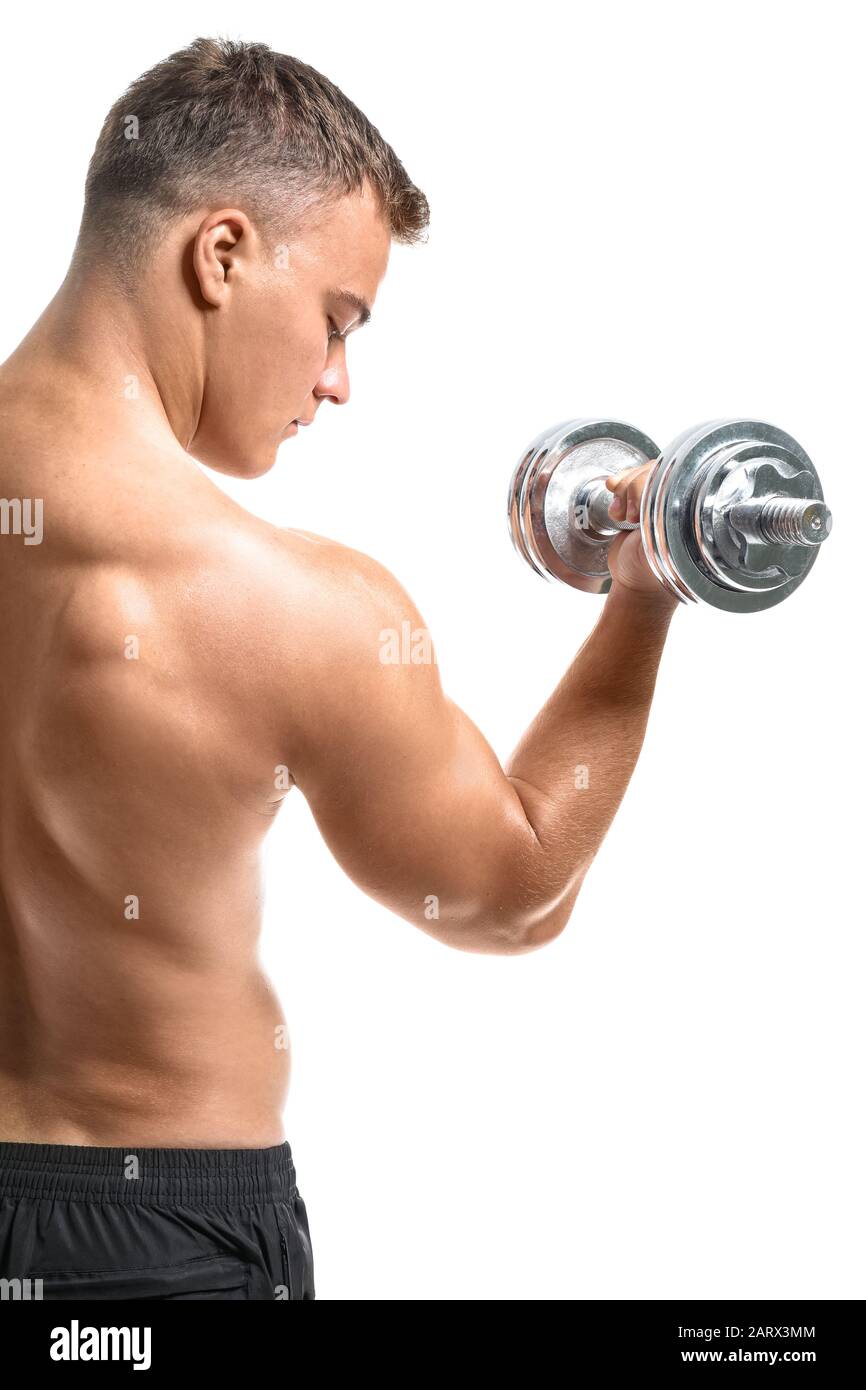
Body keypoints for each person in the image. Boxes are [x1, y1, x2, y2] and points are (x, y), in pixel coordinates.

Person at [0, 36, 678, 1301]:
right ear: (220, 254)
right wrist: (646, 586)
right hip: (161, 1254)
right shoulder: (287, 605)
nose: (336, 381)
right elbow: (511, 893)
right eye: (335, 319)